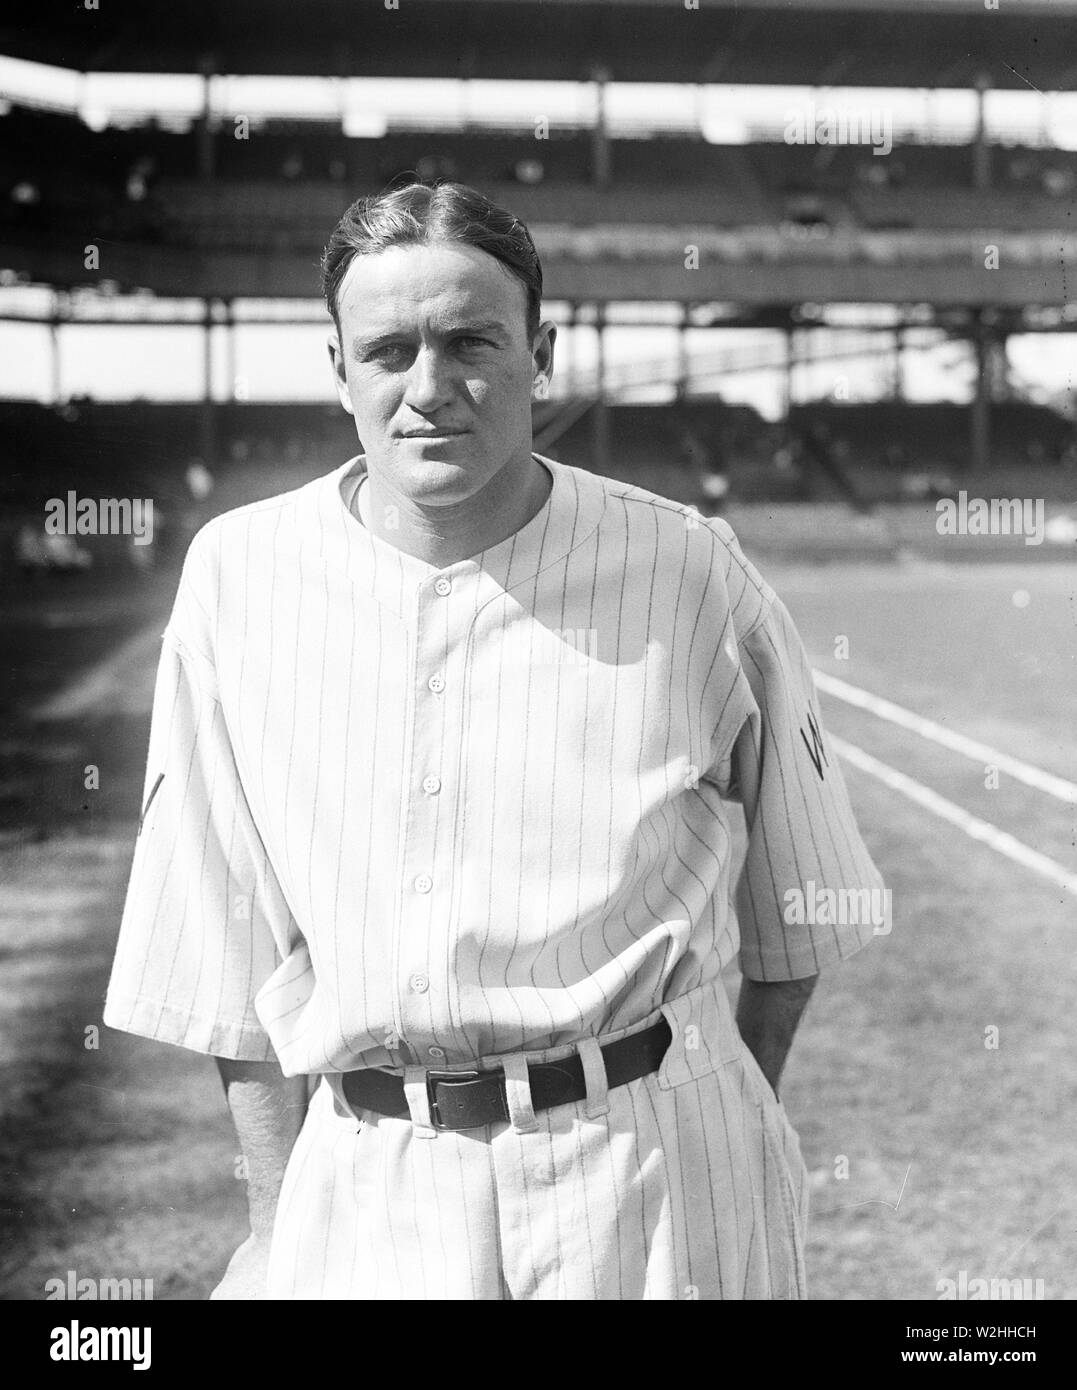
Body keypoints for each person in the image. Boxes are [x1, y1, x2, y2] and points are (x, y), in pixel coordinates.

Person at [103, 182, 885, 1301]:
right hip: (367, 1180)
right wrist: (274, 1216)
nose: (430, 388)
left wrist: (699, 1113)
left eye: (471, 339)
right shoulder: (238, 577)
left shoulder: (689, 569)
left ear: (541, 354)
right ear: (337, 370)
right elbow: (223, 951)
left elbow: (800, 912)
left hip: (653, 1172)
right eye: (387, 350)